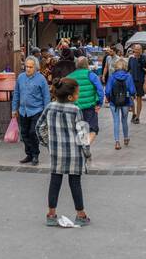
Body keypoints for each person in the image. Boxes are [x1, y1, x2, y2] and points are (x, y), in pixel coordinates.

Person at [36, 77, 91, 226]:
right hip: (75, 154)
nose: (78, 96)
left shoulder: (50, 107)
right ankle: (80, 214)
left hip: (56, 152)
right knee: (75, 183)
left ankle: (51, 214)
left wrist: (48, 143)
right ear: (70, 96)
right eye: (77, 93)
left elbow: (39, 127)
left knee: (55, 182)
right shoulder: (75, 110)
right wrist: (87, 152)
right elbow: (82, 134)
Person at [11, 55, 49, 166]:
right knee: (24, 133)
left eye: (30, 67)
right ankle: (29, 154)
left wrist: (46, 113)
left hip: (37, 110)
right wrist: (14, 109)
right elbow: (16, 94)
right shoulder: (21, 77)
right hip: (23, 111)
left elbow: (46, 96)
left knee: (33, 133)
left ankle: (35, 155)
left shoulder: (41, 79)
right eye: (26, 66)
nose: (28, 69)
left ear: (36, 68)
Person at [67, 55, 106, 142]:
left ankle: (83, 148)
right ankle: (85, 146)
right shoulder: (91, 75)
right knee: (93, 129)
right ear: (87, 64)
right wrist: (99, 103)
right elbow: (100, 90)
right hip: (90, 107)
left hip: (75, 108)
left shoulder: (69, 76)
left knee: (80, 130)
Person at [104, 59, 136, 149]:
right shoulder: (128, 76)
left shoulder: (112, 76)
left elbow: (107, 91)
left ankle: (117, 142)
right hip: (126, 101)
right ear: (125, 66)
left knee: (116, 121)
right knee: (124, 120)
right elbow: (132, 90)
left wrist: (108, 98)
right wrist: (132, 96)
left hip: (114, 102)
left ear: (116, 66)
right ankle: (126, 138)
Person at [127, 45, 146, 123]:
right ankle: (134, 114)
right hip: (132, 82)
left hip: (140, 81)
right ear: (133, 50)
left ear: (141, 50)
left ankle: (138, 117)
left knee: (139, 99)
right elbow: (128, 70)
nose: (137, 51)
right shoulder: (131, 59)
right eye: (135, 49)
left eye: (138, 49)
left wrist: (145, 83)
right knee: (131, 98)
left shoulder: (144, 59)